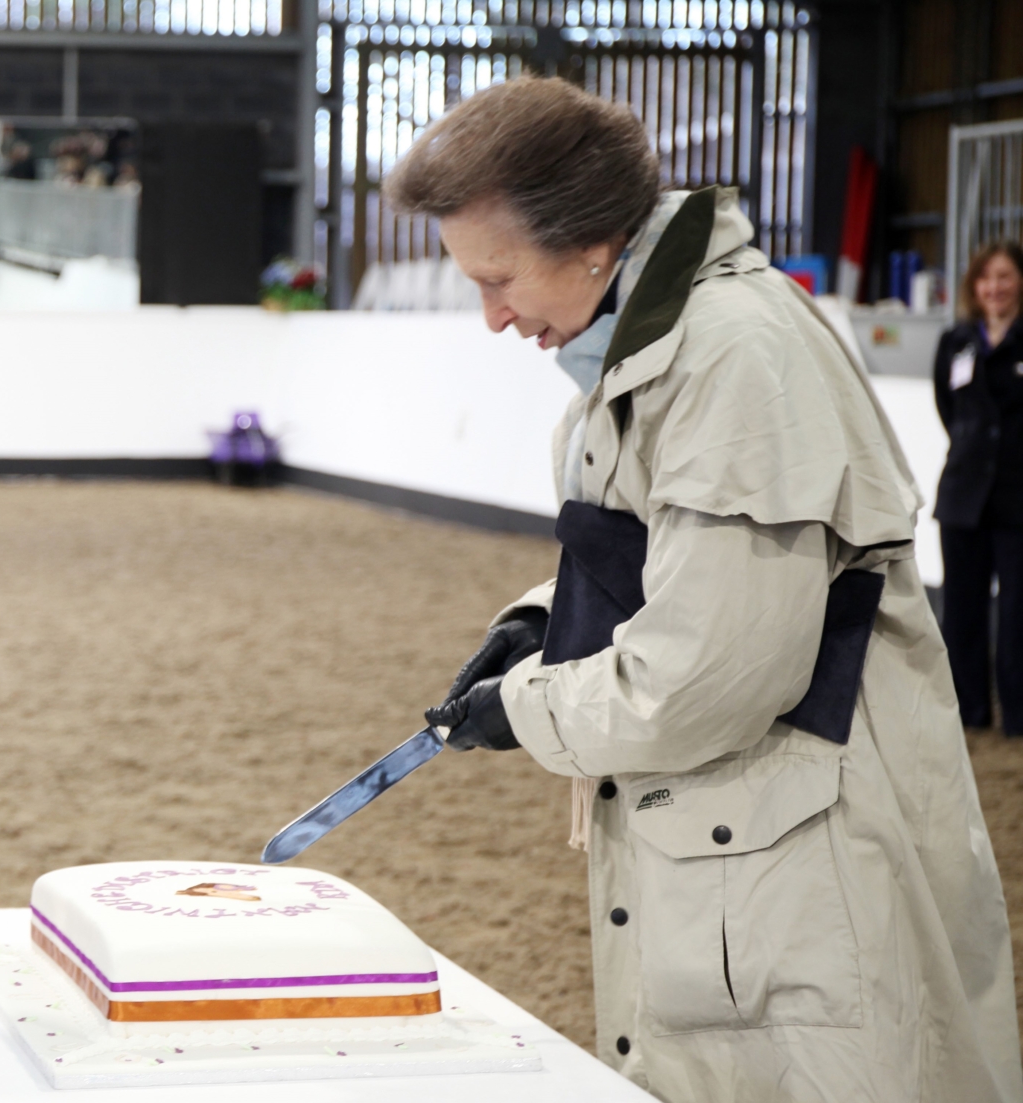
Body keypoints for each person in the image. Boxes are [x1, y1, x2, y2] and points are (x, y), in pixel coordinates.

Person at [386, 78, 1021, 1101]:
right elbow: (664, 559)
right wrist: (541, 622)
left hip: (803, 881)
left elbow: (703, 675)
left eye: (497, 278)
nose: (491, 317)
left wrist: (526, 709)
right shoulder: (649, 346)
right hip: (735, 863)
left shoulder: (730, 355)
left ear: (591, 239)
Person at [934, 240, 1023, 733]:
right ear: (974, 286)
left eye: (1005, 276)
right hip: (963, 496)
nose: (995, 287)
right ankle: (969, 713)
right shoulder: (956, 341)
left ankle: (1017, 717)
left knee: (1015, 616)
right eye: (986, 278)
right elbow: (950, 411)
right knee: (962, 613)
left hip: (1016, 496)